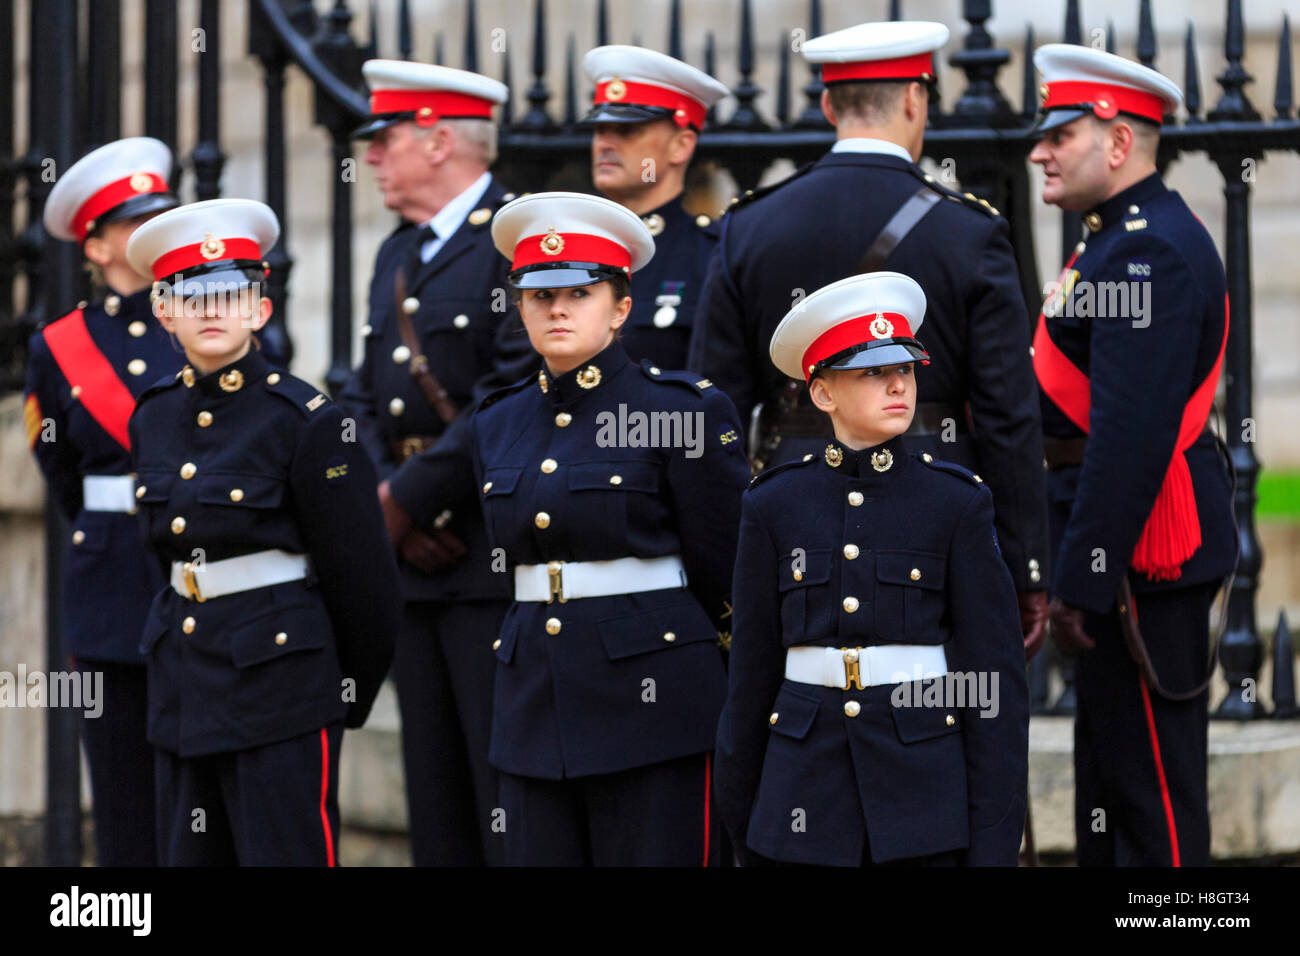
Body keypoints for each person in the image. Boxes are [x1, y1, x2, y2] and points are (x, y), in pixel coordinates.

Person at [388, 192, 751, 865]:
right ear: (519, 306)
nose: (557, 308)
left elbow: (727, 568)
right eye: (538, 294)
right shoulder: (497, 420)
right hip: (535, 704)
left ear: (620, 307)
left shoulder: (681, 411)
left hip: (656, 707)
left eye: (580, 293)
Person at [689, 20, 1050, 658]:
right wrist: (1023, 569)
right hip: (935, 503)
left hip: (788, 506)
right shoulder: (969, 233)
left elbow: (709, 411)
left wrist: (730, 555)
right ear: (916, 100)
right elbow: (1008, 417)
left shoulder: (748, 225)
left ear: (828, 105)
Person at [714, 271, 1029, 866]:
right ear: (823, 393)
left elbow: (995, 688)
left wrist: (991, 844)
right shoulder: (774, 504)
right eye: (872, 373)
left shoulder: (955, 502)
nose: (897, 386)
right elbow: (750, 681)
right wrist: (746, 824)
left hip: (923, 803)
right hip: (800, 801)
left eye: (904, 370)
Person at [124, 198, 400, 866]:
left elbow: (364, 584)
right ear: (163, 310)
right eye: (192, 296)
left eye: (230, 294)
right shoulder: (152, 416)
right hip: (186, 689)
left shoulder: (305, 420)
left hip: (282, 694)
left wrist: (335, 699)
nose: (212, 310)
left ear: (259, 309)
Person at [1027, 45, 1235, 867]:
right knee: (1112, 785)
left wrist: (1079, 579)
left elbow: (1127, 438)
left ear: (1117, 144)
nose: (1039, 149)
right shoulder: (1112, 239)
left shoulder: (1144, 252)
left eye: (1061, 133)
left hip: (1140, 558)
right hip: (1115, 552)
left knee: (1149, 801)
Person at [340, 58, 527, 866]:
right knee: (435, 797)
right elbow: (359, 391)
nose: (373, 157)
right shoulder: (397, 254)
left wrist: (405, 500)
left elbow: (508, 393)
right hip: (412, 563)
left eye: (387, 140)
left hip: (485, 557)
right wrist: (384, 496)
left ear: (441, 140)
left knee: (500, 792)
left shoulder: (516, 241)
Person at [24, 136, 182, 866]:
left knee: (201, 794)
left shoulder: (206, 320)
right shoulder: (59, 346)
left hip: (198, 572)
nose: (153, 229)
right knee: (123, 796)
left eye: (160, 212)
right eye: (132, 221)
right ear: (94, 245)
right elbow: (62, 473)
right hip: (114, 580)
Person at [580, 45, 729, 370]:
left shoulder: (713, 255)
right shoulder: (570, 245)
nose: (605, 142)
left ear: (681, 145)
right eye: (599, 129)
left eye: (627, 130)